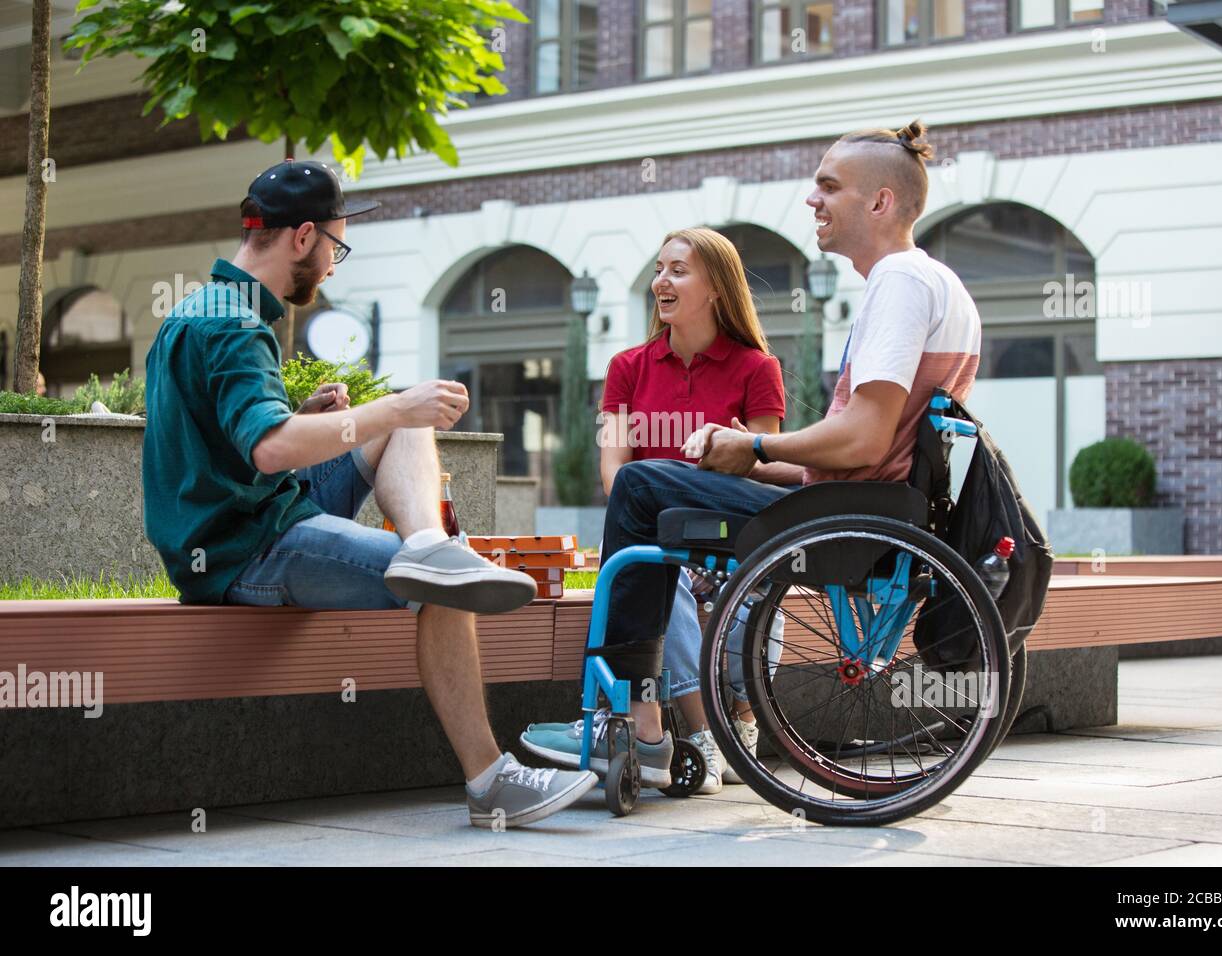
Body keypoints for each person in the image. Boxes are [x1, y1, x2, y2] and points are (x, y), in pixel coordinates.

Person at [141, 159, 596, 829]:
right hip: (246, 550)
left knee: (406, 449)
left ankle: (425, 547)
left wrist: (312, 414)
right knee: (447, 573)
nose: (333, 264)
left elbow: (234, 439)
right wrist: (389, 409)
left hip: (252, 513)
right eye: (335, 245)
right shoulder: (234, 326)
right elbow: (269, 447)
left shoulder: (207, 309)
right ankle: (489, 780)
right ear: (302, 237)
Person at [519, 119, 981, 777]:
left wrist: (755, 446)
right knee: (650, 494)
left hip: (849, 512)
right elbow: (864, 444)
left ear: (880, 202)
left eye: (829, 186)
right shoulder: (941, 283)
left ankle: (629, 723)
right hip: (875, 505)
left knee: (642, 486)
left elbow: (866, 437)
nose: (811, 201)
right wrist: (751, 452)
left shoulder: (900, 282)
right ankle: (649, 724)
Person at [519, 227, 790, 793]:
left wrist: (729, 452)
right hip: (657, 532)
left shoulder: (756, 368)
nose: (660, 281)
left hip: (727, 534)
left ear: (717, 286)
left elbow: (759, 469)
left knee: (737, 591)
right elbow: (614, 474)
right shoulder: (627, 368)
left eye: (678, 270)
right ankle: (704, 732)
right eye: (659, 269)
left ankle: (725, 723)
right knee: (665, 574)